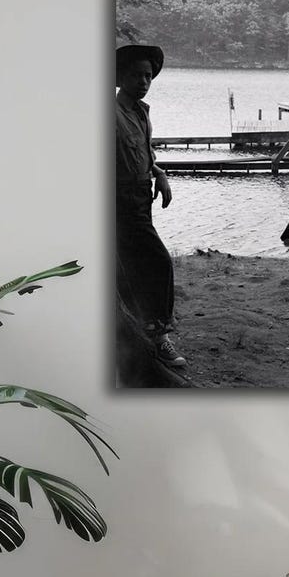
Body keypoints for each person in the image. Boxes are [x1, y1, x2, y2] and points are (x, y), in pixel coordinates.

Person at [115, 44, 186, 368]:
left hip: (143, 198)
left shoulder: (142, 113)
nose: (143, 81)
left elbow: (146, 155)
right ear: (119, 77)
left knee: (133, 267)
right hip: (120, 201)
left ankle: (140, 332)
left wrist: (160, 174)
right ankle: (159, 336)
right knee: (158, 262)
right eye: (136, 75)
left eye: (148, 75)